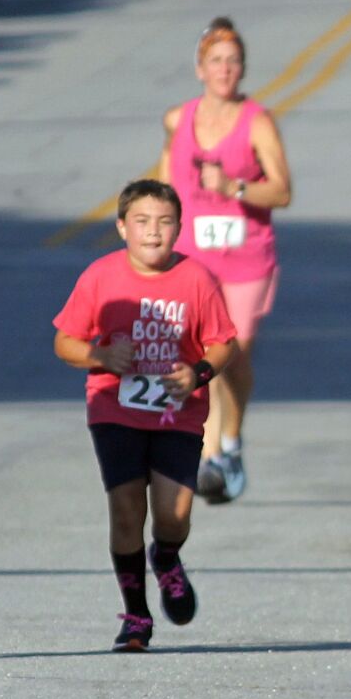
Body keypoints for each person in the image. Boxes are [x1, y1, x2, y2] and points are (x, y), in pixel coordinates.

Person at [53, 179, 239, 651]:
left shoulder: (198, 279)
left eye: (164, 222)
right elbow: (64, 342)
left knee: (174, 516)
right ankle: (136, 615)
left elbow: (223, 343)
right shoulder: (100, 277)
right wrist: (101, 356)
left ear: (179, 228)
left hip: (178, 412)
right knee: (126, 508)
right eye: (141, 222)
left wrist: (197, 374)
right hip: (114, 409)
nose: (153, 232)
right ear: (121, 228)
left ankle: (167, 556)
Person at [159, 16, 292, 504]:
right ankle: (214, 454)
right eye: (216, 61)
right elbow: (166, 181)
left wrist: (235, 187)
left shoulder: (257, 121)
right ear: (200, 68)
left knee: (237, 348)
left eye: (233, 62)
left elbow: (282, 190)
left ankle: (232, 438)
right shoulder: (180, 119)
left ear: (242, 69)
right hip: (194, 257)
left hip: (246, 256)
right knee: (205, 353)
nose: (225, 69)